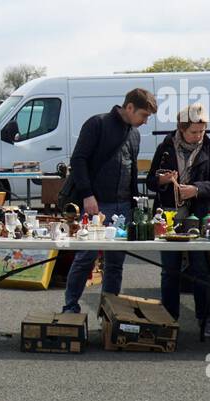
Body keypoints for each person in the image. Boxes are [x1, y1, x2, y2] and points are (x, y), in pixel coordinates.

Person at [62, 88, 156, 314]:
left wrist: (134, 206)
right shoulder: (97, 124)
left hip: (123, 206)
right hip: (96, 205)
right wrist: (87, 194)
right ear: (130, 107)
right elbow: (79, 159)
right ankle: (70, 307)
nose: (145, 121)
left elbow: (132, 172)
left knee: (115, 263)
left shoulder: (134, 134)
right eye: (144, 115)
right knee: (86, 257)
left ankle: (109, 312)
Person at [147, 103, 210, 337]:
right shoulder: (166, 148)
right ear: (181, 129)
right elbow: (150, 181)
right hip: (170, 216)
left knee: (201, 269)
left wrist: (196, 189)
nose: (198, 136)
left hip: (199, 218)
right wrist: (162, 181)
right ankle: (169, 319)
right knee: (170, 270)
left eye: (202, 131)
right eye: (193, 132)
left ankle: (206, 319)